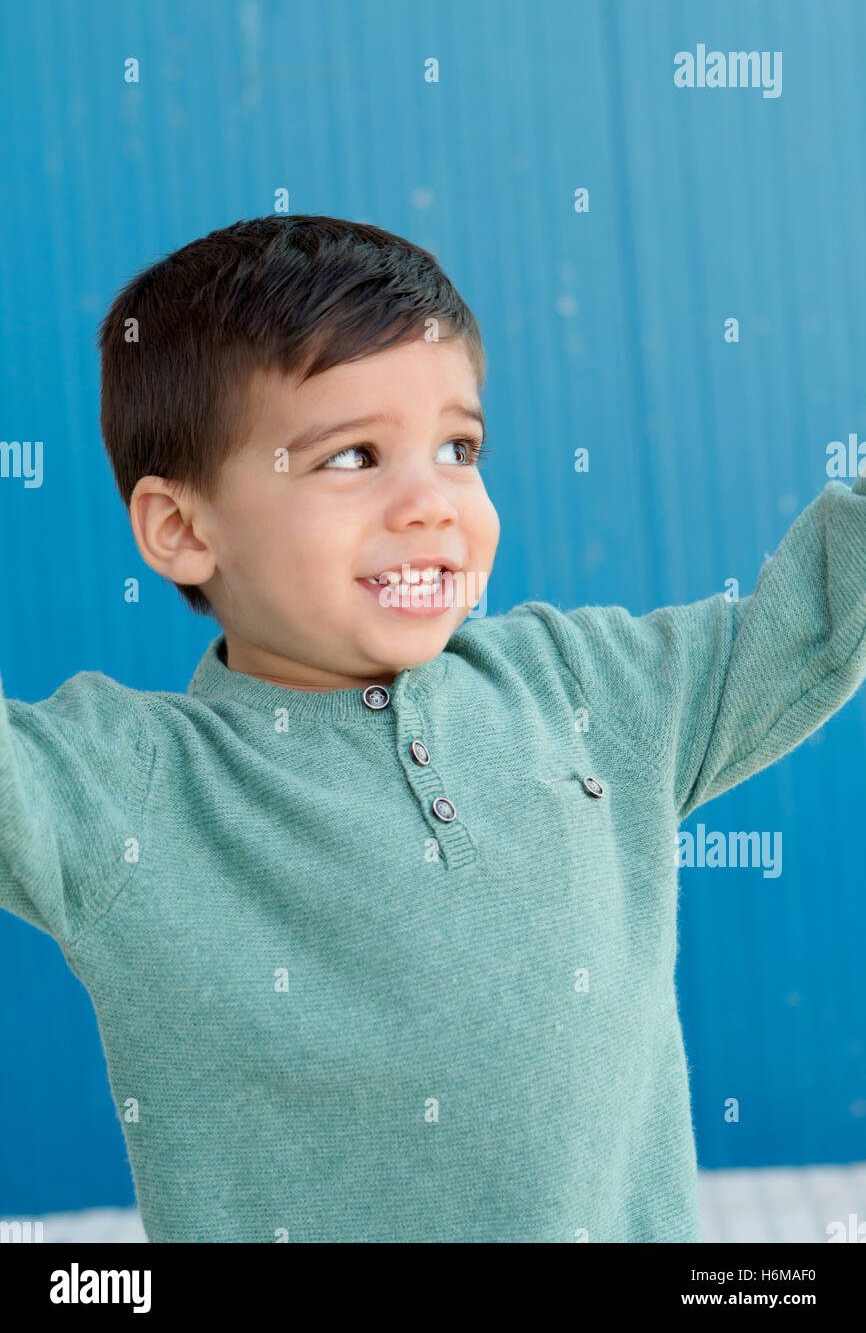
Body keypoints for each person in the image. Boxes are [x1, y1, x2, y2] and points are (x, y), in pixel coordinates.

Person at [1, 213, 864, 1242]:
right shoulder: (126, 787)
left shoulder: (584, 686)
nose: (430, 503)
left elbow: (815, 615)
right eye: (351, 456)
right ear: (184, 529)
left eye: (458, 447)